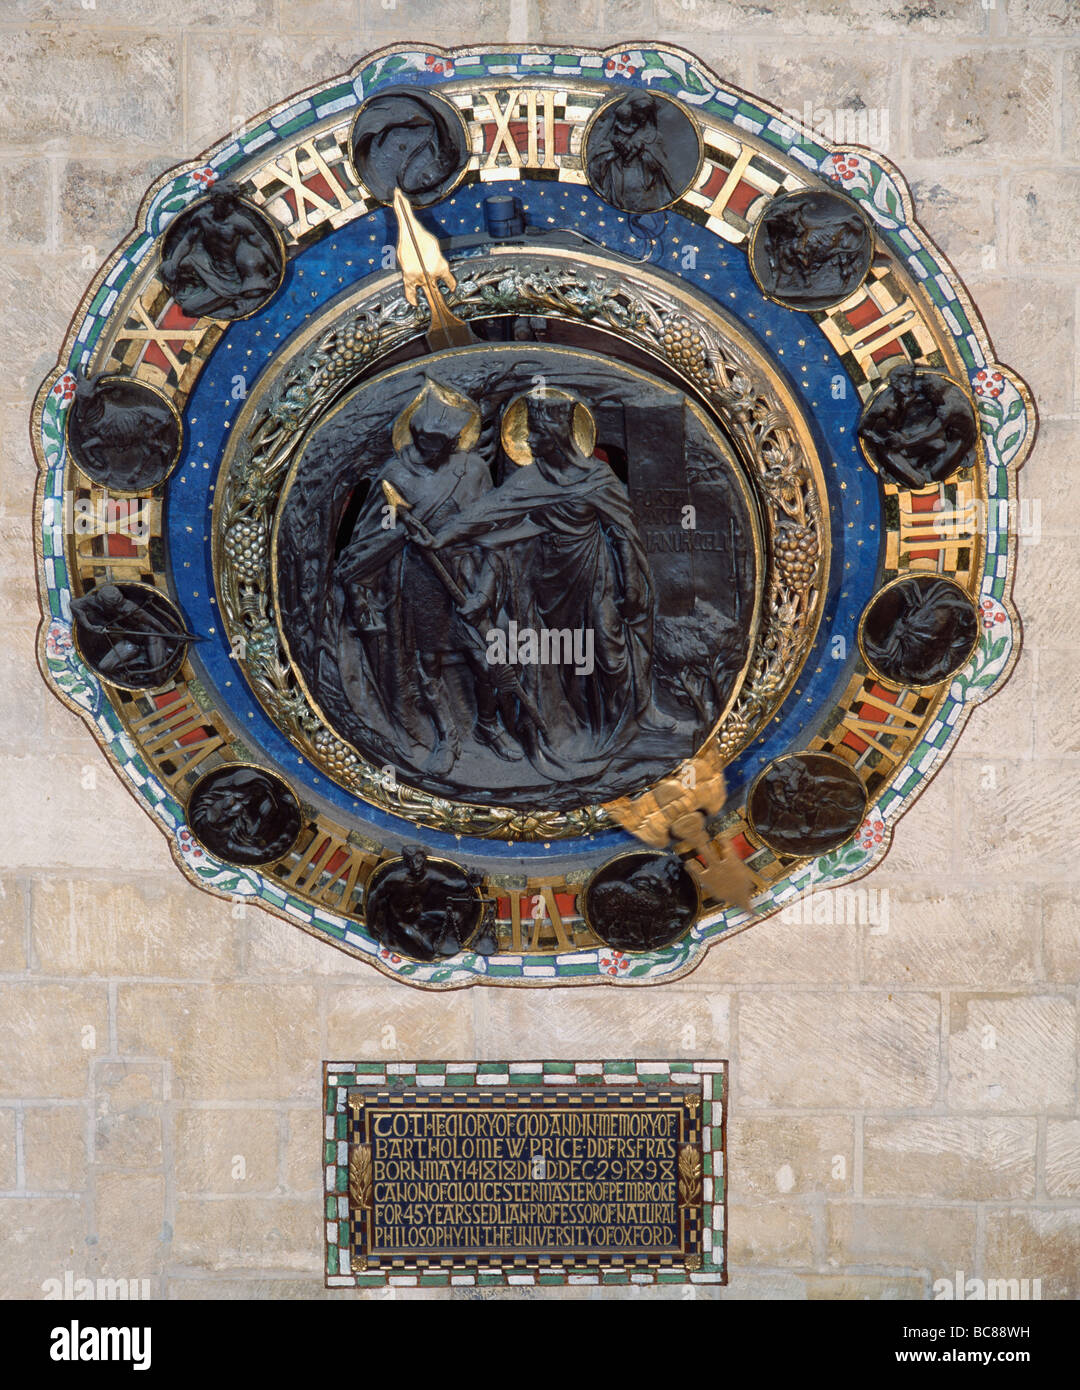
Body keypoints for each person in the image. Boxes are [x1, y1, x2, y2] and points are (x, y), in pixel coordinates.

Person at [431, 388, 661, 787]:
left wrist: (634, 582)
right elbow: (489, 510)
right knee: (565, 657)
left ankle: (627, 722)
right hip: (548, 582)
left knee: (608, 649)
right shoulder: (531, 479)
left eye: (536, 434)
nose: (529, 442)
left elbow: (623, 533)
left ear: (556, 434)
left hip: (593, 573)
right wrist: (442, 538)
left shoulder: (597, 477)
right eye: (529, 433)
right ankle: (574, 725)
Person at [333, 378, 521, 775]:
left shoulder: (472, 469)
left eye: (444, 441)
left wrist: (485, 590)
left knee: (490, 657)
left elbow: (492, 530)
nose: (435, 449)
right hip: (419, 580)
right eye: (428, 441)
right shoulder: (394, 475)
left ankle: (488, 725)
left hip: (469, 575)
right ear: (416, 434)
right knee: (428, 663)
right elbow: (367, 542)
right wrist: (404, 533)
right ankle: (447, 737)